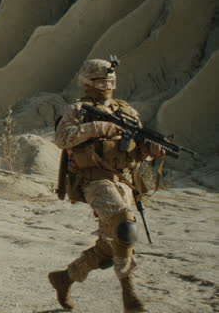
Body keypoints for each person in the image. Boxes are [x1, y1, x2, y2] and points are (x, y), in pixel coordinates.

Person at [49, 58, 165, 312]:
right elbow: (62, 138)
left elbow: (137, 148)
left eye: (110, 81)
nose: (107, 86)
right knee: (125, 225)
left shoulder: (127, 111)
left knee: (109, 246)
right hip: (94, 179)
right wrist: (99, 127)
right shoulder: (79, 109)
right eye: (101, 82)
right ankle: (129, 296)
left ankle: (64, 278)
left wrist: (151, 151)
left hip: (123, 180)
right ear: (88, 84)